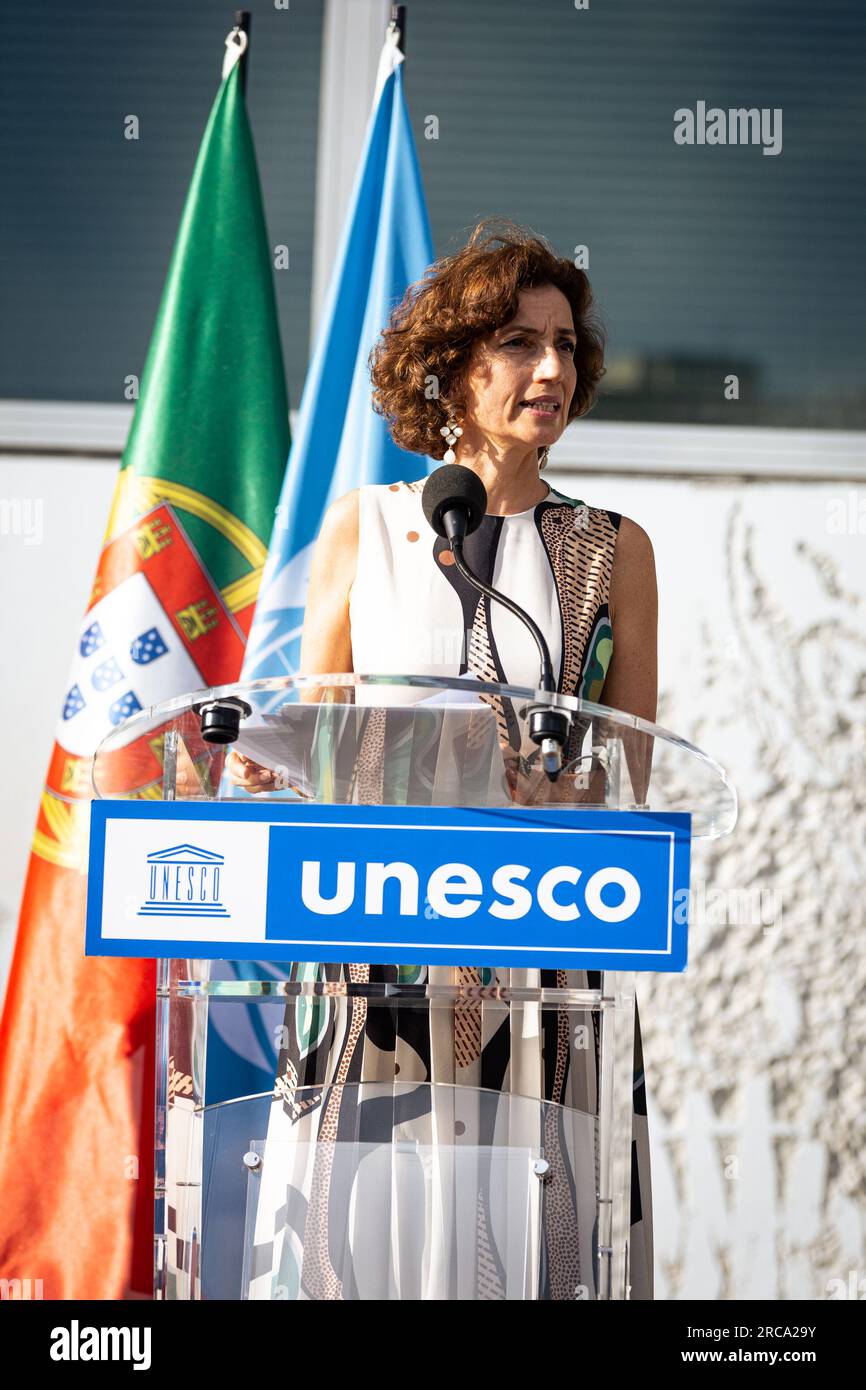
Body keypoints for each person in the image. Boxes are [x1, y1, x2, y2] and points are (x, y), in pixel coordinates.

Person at [229, 219, 658, 1299]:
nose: (551, 368)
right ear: (453, 369)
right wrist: (246, 761)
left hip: (542, 962)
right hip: (375, 949)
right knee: (365, 1247)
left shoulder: (612, 549)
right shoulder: (365, 530)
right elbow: (294, 734)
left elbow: (634, 770)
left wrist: (582, 787)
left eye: (565, 345)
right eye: (518, 343)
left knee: (524, 1252)